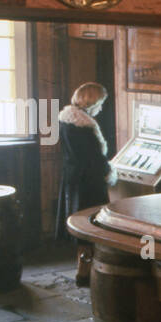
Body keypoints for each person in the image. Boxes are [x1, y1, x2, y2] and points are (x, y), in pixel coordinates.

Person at [55, 82, 113, 239]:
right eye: (99, 104)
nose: (100, 109)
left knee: (76, 220)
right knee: (91, 224)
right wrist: (109, 172)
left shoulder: (67, 121)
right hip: (88, 181)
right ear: (91, 102)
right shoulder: (85, 127)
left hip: (72, 175)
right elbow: (94, 158)